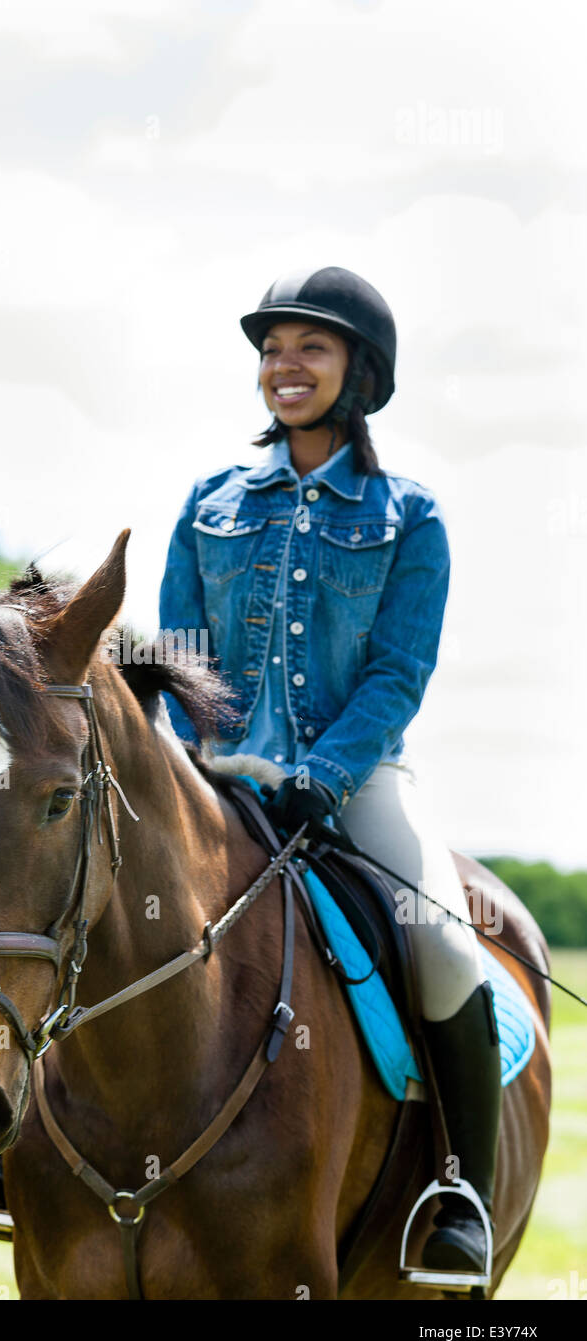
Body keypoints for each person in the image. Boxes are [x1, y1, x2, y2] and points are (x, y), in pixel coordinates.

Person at [157, 267, 501, 1278]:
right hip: (217, 774)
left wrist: (323, 772)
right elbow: (179, 653)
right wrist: (209, 755)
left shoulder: (408, 516)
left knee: (441, 943)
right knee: (90, 892)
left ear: (358, 371)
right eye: (271, 348)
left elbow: (397, 673)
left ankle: (457, 1195)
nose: (283, 364)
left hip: (357, 782)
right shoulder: (208, 504)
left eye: (309, 346)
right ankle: (23, 1153)